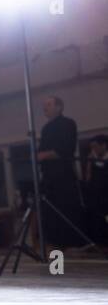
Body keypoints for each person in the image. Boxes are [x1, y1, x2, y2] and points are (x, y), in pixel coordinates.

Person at [36, 95, 82, 246]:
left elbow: (66, 149)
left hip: (63, 176)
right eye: (44, 105)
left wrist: (44, 155)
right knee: (50, 210)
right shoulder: (45, 128)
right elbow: (41, 150)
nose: (45, 108)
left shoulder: (68, 124)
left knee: (67, 209)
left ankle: (72, 242)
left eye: (48, 104)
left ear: (59, 107)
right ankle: (54, 242)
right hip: (48, 177)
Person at [81, 135, 108, 247]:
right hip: (95, 197)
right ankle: (97, 243)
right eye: (91, 147)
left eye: (95, 147)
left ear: (104, 145)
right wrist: (89, 163)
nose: (93, 150)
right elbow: (88, 178)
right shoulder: (92, 159)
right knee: (95, 220)